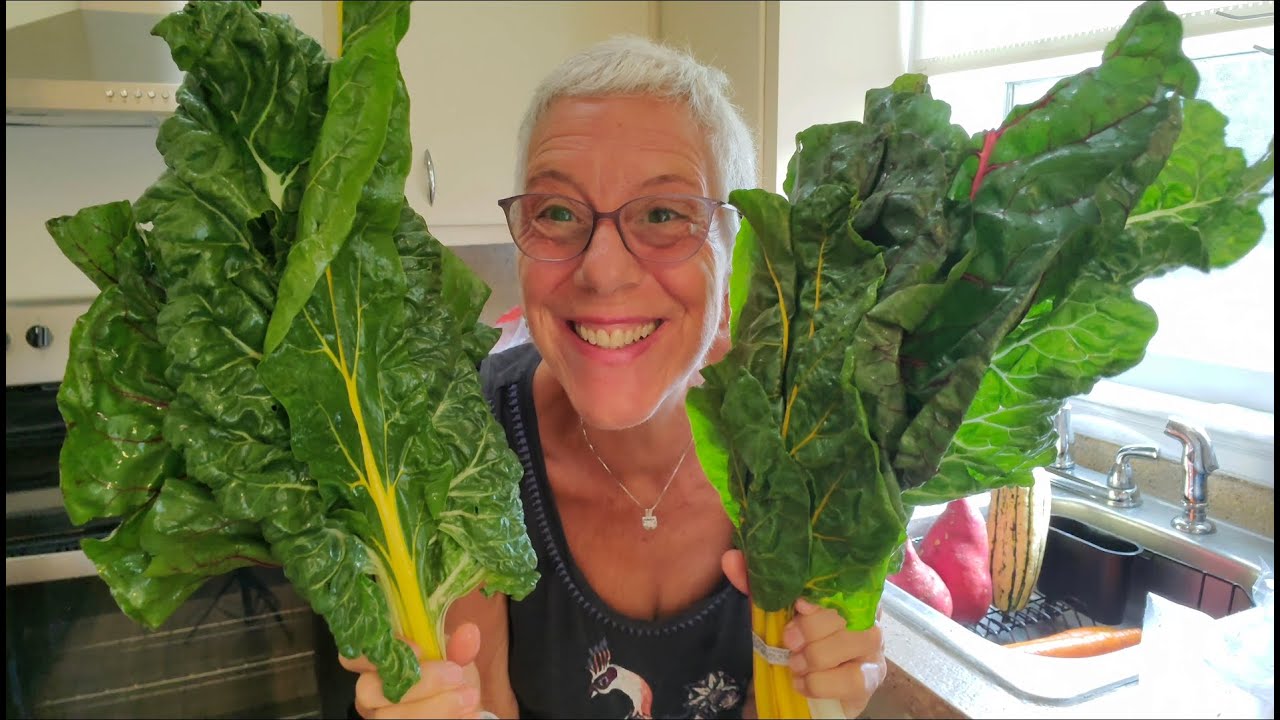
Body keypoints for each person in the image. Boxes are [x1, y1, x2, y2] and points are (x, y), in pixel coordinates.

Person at [340, 35, 887, 719]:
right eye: (558, 213)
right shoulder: (456, 439)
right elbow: (479, 701)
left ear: (735, 253)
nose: (601, 270)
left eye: (664, 214)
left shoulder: (802, 443)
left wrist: (828, 689)